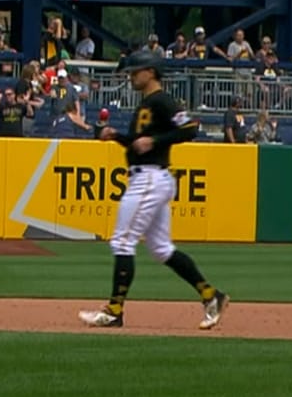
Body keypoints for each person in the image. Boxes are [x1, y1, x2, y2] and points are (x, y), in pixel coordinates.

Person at [77, 49, 227, 331]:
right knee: (160, 249)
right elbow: (139, 144)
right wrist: (116, 136)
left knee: (122, 241)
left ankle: (114, 310)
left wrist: (156, 141)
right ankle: (211, 295)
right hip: (149, 176)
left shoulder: (162, 100)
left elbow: (190, 128)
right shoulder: (147, 103)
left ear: (151, 72)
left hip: (149, 178)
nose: (132, 76)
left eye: (136, 71)